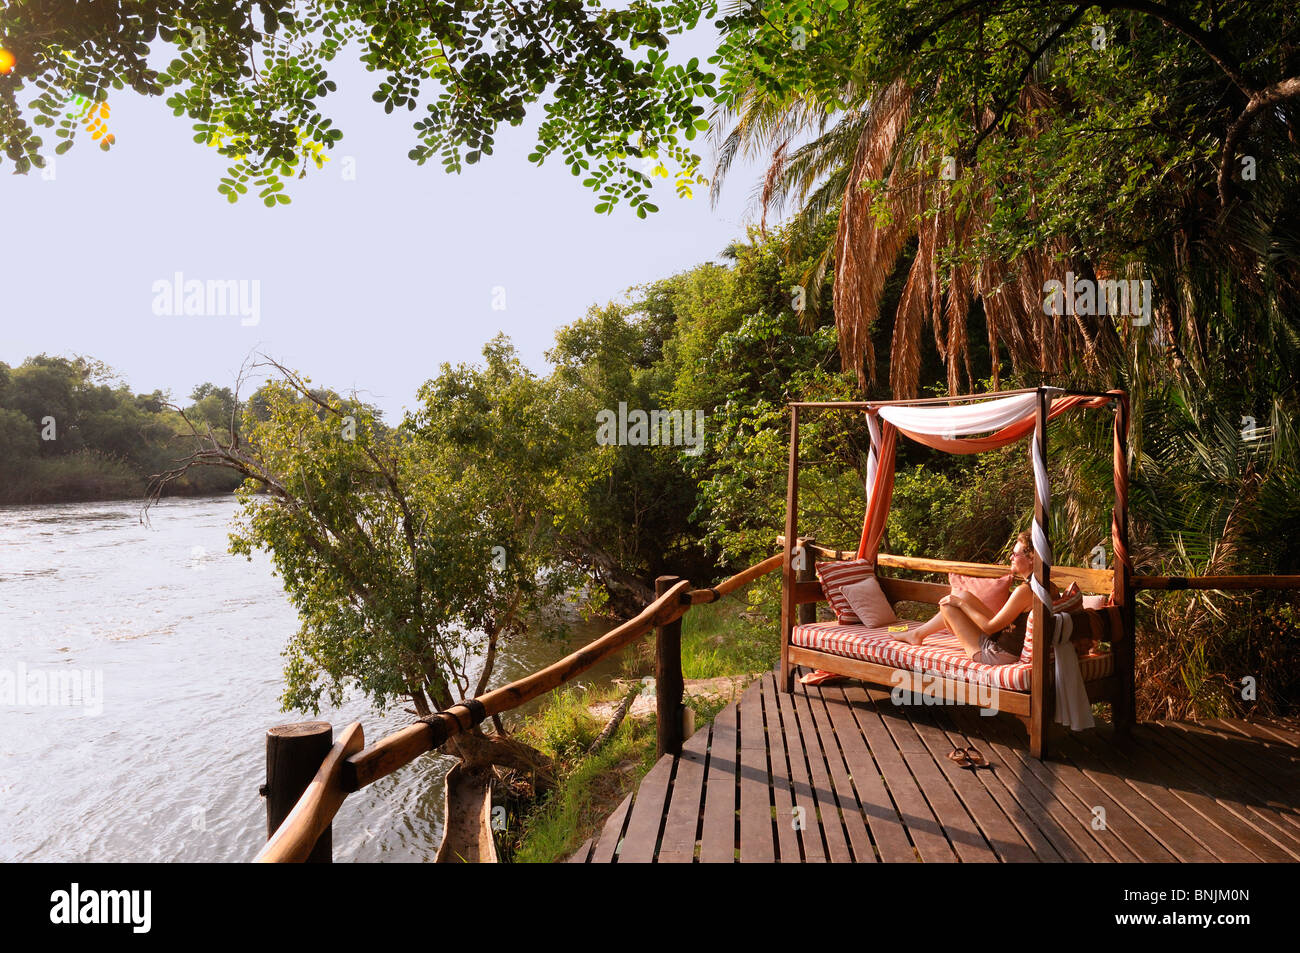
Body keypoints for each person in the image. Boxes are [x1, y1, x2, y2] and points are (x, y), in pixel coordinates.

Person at [892, 531, 1059, 665]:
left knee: (949, 606)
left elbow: (989, 627)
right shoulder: (1048, 587)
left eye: (1015, 554)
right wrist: (962, 601)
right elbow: (1001, 625)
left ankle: (918, 634)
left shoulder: (1025, 591)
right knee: (962, 595)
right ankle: (917, 634)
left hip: (998, 655)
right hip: (1006, 642)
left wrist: (961, 605)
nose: (1011, 558)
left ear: (1031, 559)